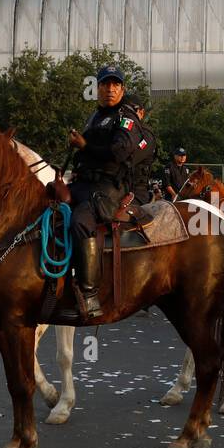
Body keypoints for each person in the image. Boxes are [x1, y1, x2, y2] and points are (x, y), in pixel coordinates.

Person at [67, 64, 143, 318]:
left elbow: (119, 152)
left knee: (81, 222)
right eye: (105, 84)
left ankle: (89, 296)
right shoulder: (95, 116)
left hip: (108, 189)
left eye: (116, 84)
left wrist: (84, 145)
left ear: (122, 89)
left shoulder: (126, 117)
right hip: (84, 183)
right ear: (97, 87)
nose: (110, 89)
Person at [125, 95, 158, 206]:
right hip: (116, 188)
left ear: (141, 112)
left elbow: (128, 159)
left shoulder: (146, 135)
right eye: (123, 110)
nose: (127, 114)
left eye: (132, 110)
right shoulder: (117, 132)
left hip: (136, 191)